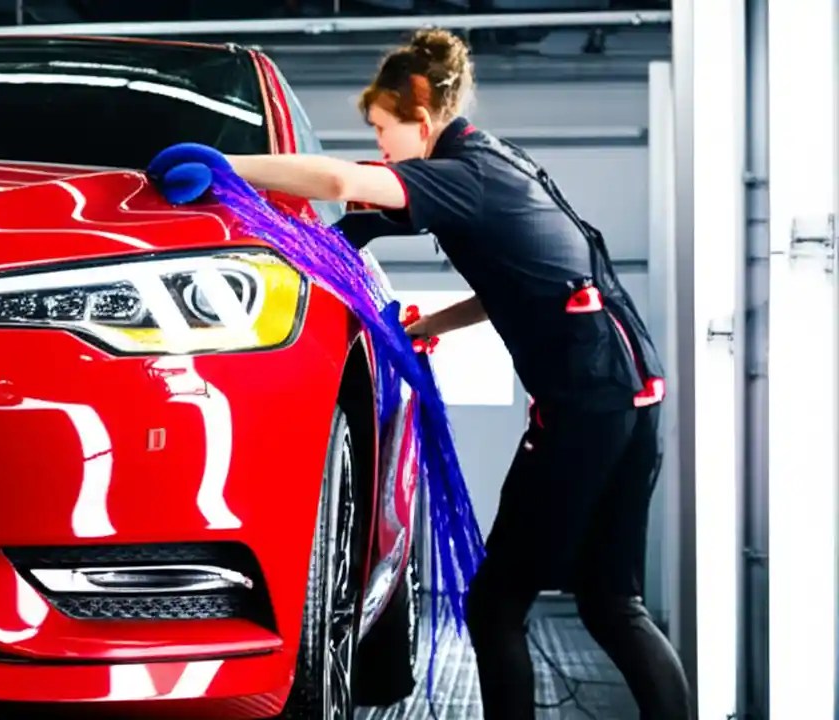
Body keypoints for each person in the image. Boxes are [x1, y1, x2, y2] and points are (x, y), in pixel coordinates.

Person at [147, 27, 693, 720]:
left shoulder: (464, 175)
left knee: (496, 605)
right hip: (633, 389)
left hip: (586, 404)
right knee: (616, 601)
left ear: (421, 113)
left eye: (382, 128)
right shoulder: (501, 165)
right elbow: (519, 282)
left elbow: (342, 181)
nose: (380, 144)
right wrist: (426, 327)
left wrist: (227, 164)